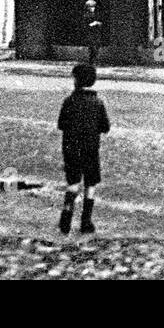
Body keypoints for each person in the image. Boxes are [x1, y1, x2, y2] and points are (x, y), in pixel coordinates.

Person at [57, 63, 111, 236]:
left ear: (77, 80)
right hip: (90, 148)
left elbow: (61, 124)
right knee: (90, 183)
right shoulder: (98, 103)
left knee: (72, 183)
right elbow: (105, 127)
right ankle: (86, 221)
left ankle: (66, 216)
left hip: (71, 148)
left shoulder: (69, 101)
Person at [82, 0, 104, 65]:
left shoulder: (96, 15)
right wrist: (93, 24)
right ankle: (91, 61)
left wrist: (98, 23)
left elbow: (101, 22)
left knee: (96, 47)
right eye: (91, 7)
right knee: (92, 47)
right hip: (90, 34)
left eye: (94, 6)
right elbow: (85, 26)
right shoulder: (86, 15)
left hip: (96, 33)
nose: (93, 8)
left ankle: (94, 60)